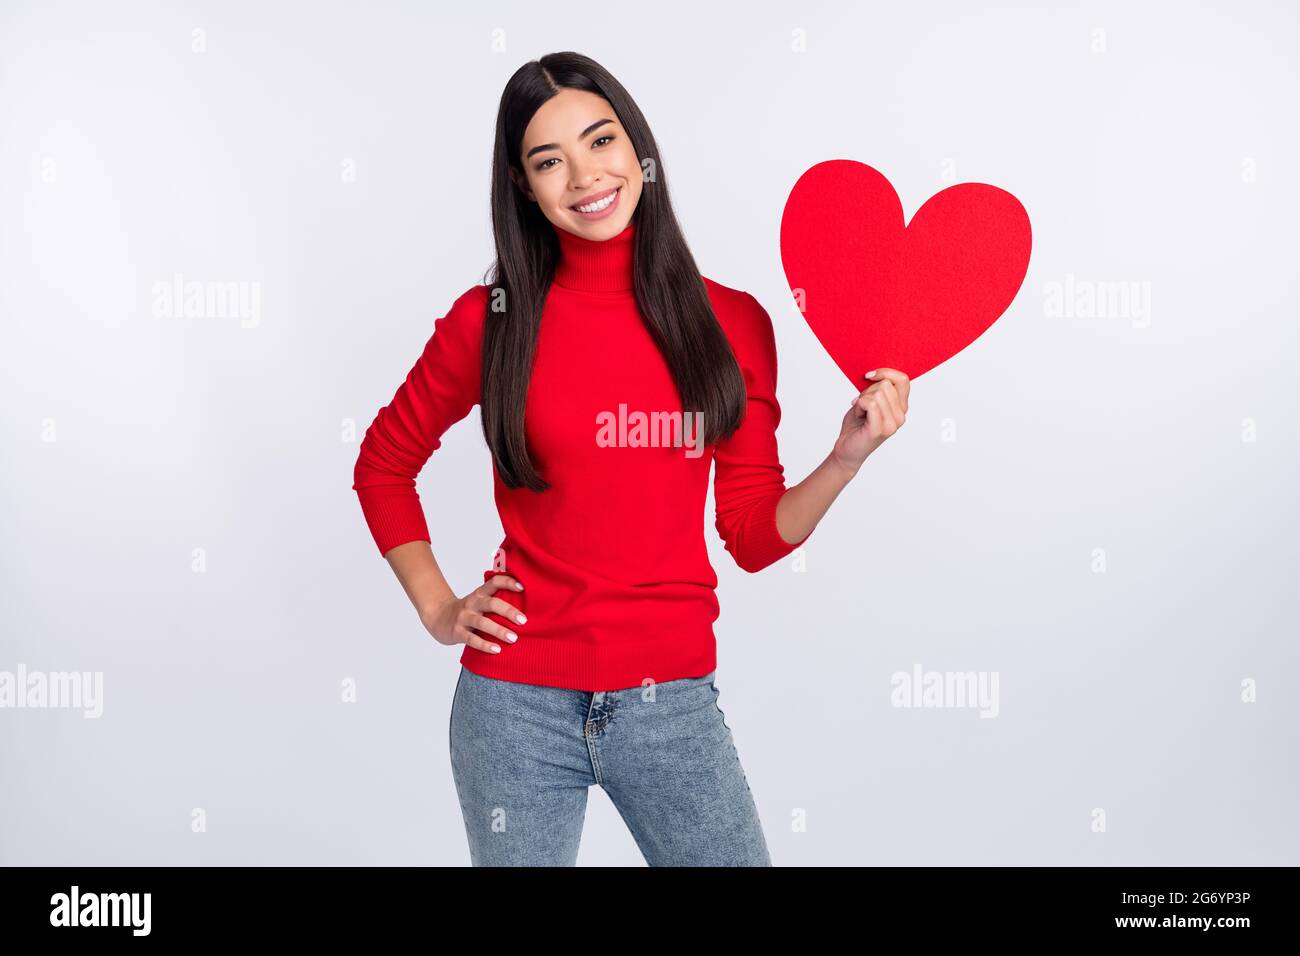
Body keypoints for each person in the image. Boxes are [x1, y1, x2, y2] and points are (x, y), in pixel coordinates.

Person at [352, 51, 910, 866]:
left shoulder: (734, 323)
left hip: (670, 704)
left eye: (600, 140)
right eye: (550, 161)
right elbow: (382, 464)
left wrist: (845, 458)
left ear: (637, 149)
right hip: (512, 706)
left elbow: (753, 535)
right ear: (523, 186)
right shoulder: (491, 321)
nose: (584, 176)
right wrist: (440, 607)